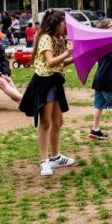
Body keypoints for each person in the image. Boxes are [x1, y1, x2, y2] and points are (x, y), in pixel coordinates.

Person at [19, 10, 75, 177]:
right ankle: (45, 160)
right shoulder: (45, 38)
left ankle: (56, 157)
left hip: (55, 81)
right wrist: (68, 53)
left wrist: (78, 57)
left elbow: (61, 63)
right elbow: (50, 62)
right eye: (65, 23)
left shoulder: (59, 39)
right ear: (57, 24)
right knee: (45, 122)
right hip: (44, 83)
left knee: (58, 121)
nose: (68, 27)